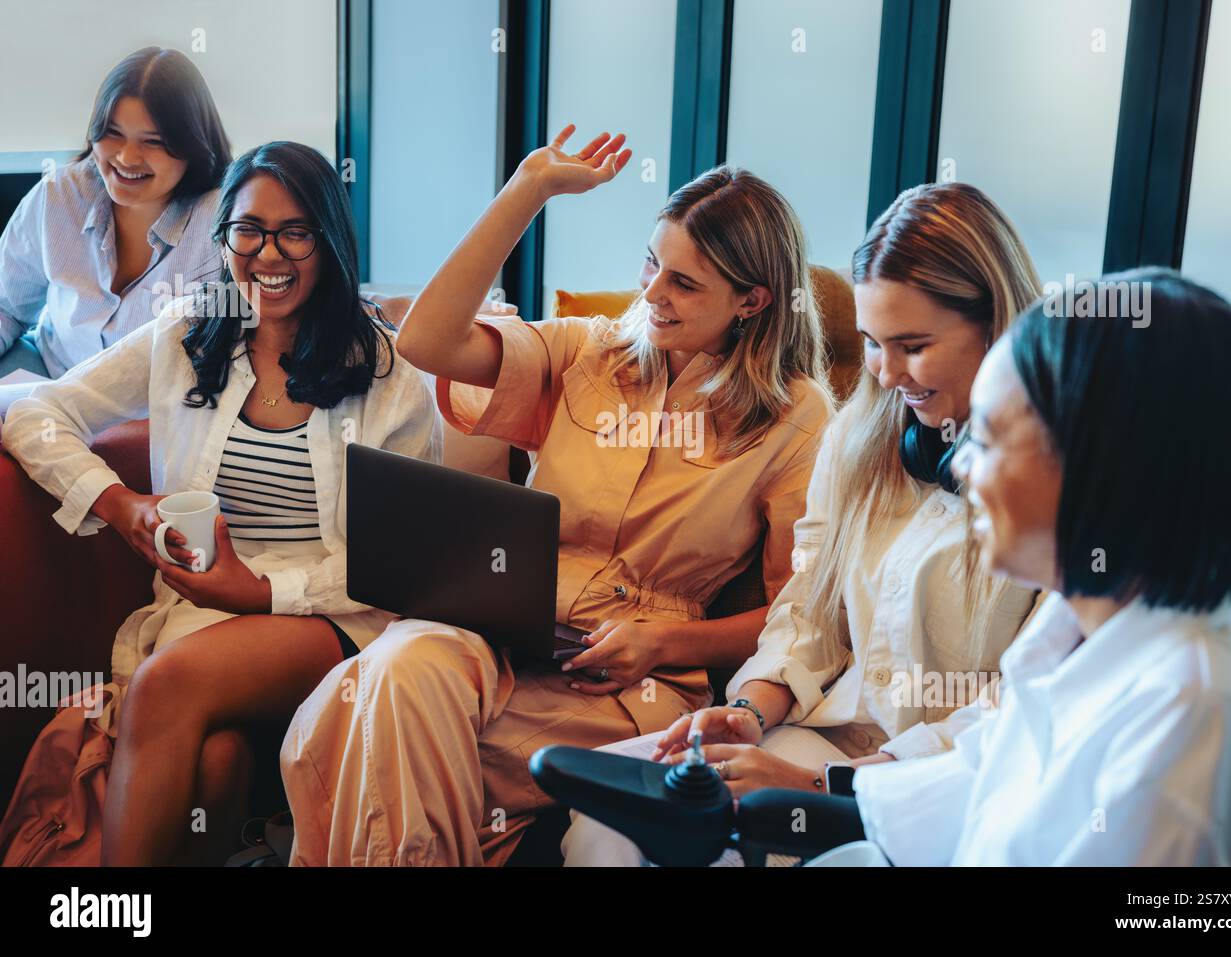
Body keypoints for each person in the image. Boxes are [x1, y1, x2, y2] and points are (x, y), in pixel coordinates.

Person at [280, 125, 835, 865]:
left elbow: (800, 614)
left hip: (629, 676)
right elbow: (425, 342)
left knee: (371, 724)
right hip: (498, 630)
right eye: (650, 263)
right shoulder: (592, 351)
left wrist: (666, 639)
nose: (652, 293)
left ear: (753, 300)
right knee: (397, 668)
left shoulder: (797, 419)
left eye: (684, 283)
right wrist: (528, 189)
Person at [563, 182, 1044, 865]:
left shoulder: (1061, 486)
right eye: (874, 343)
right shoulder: (860, 435)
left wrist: (822, 786)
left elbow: (1018, 712)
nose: (886, 371)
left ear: (998, 324)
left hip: (934, 786)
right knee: (610, 821)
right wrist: (752, 710)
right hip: (818, 738)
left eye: (913, 344)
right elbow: (807, 612)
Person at [0, 142, 438, 865]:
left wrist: (262, 588)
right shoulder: (187, 333)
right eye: (248, 230)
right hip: (200, 614)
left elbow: (398, 562)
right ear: (224, 239)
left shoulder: (385, 377)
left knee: (167, 680)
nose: (269, 253)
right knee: (219, 761)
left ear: (329, 241)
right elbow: (37, 413)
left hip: (337, 616)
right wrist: (123, 506)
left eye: (295, 231)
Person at [826, 268, 1231, 866]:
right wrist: (789, 802)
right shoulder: (1087, 625)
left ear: (1107, 468)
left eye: (990, 440)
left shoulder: (1185, 723)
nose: (961, 467)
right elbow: (978, 785)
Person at [0, 47, 229, 381]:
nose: (126, 158)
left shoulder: (222, 224)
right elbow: (6, 306)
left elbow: (228, 368)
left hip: (155, 414)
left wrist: (104, 430)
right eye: (113, 133)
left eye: (153, 142)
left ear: (193, 146)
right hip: (49, 383)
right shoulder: (61, 193)